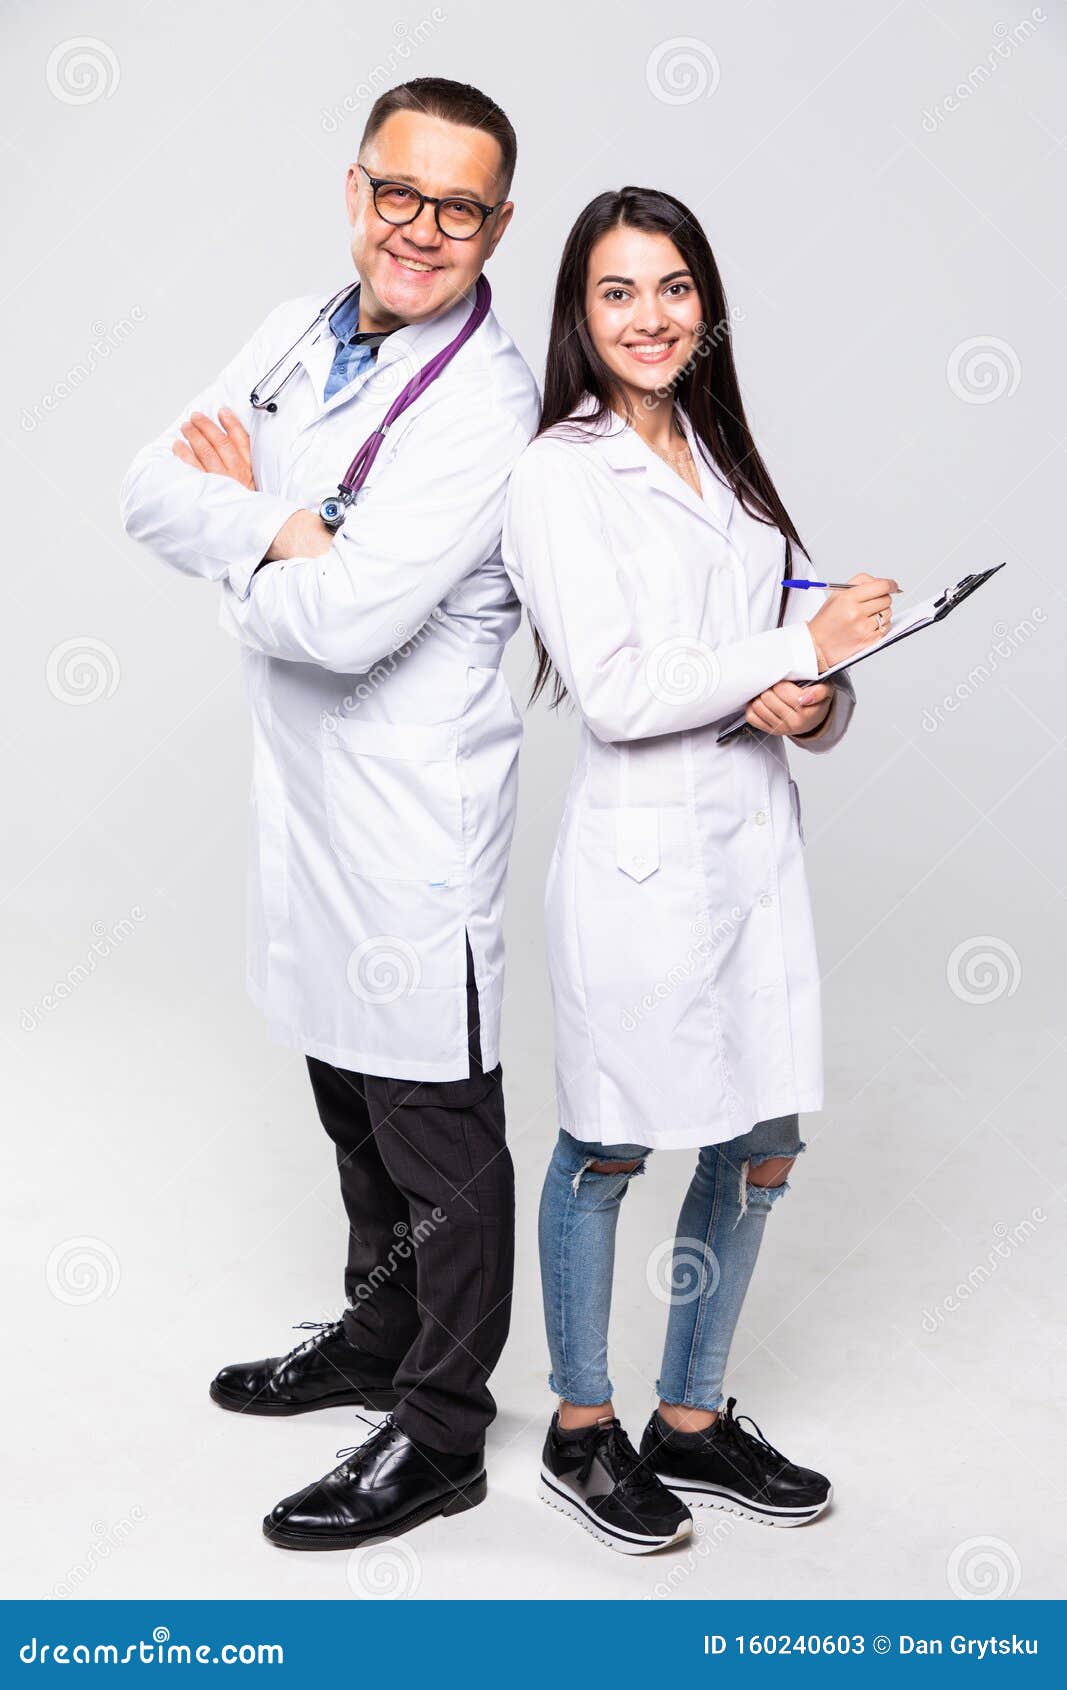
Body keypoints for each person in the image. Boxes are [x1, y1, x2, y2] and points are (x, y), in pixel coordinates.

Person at [119, 78, 539, 1550]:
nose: (419, 230)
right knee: (349, 1106)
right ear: (355, 187)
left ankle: (439, 1430)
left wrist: (266, 549)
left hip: (413, 828)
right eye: (396, 193)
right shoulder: (297, 329)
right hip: (305, 808)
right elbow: (144, 486)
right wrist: (285, 529)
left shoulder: (485, 402)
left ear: (500, 225)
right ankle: (372, 1342)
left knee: (439, 1142)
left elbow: (353, 624)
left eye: (459, 208)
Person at [501, 186, 899, 1554]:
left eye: (672, 288)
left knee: (763, 1131)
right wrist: (791, 657)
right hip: (638, 857)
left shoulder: (725, 460)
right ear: (580, 312)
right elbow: (614, 690)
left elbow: (793, 645)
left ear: (704, 305)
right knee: (611, 1138)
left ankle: (692, 1414)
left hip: (750, 855)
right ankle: (579, 1426)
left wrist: (823, 686)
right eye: (618, 291)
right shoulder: (559, 468)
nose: (650, 316)